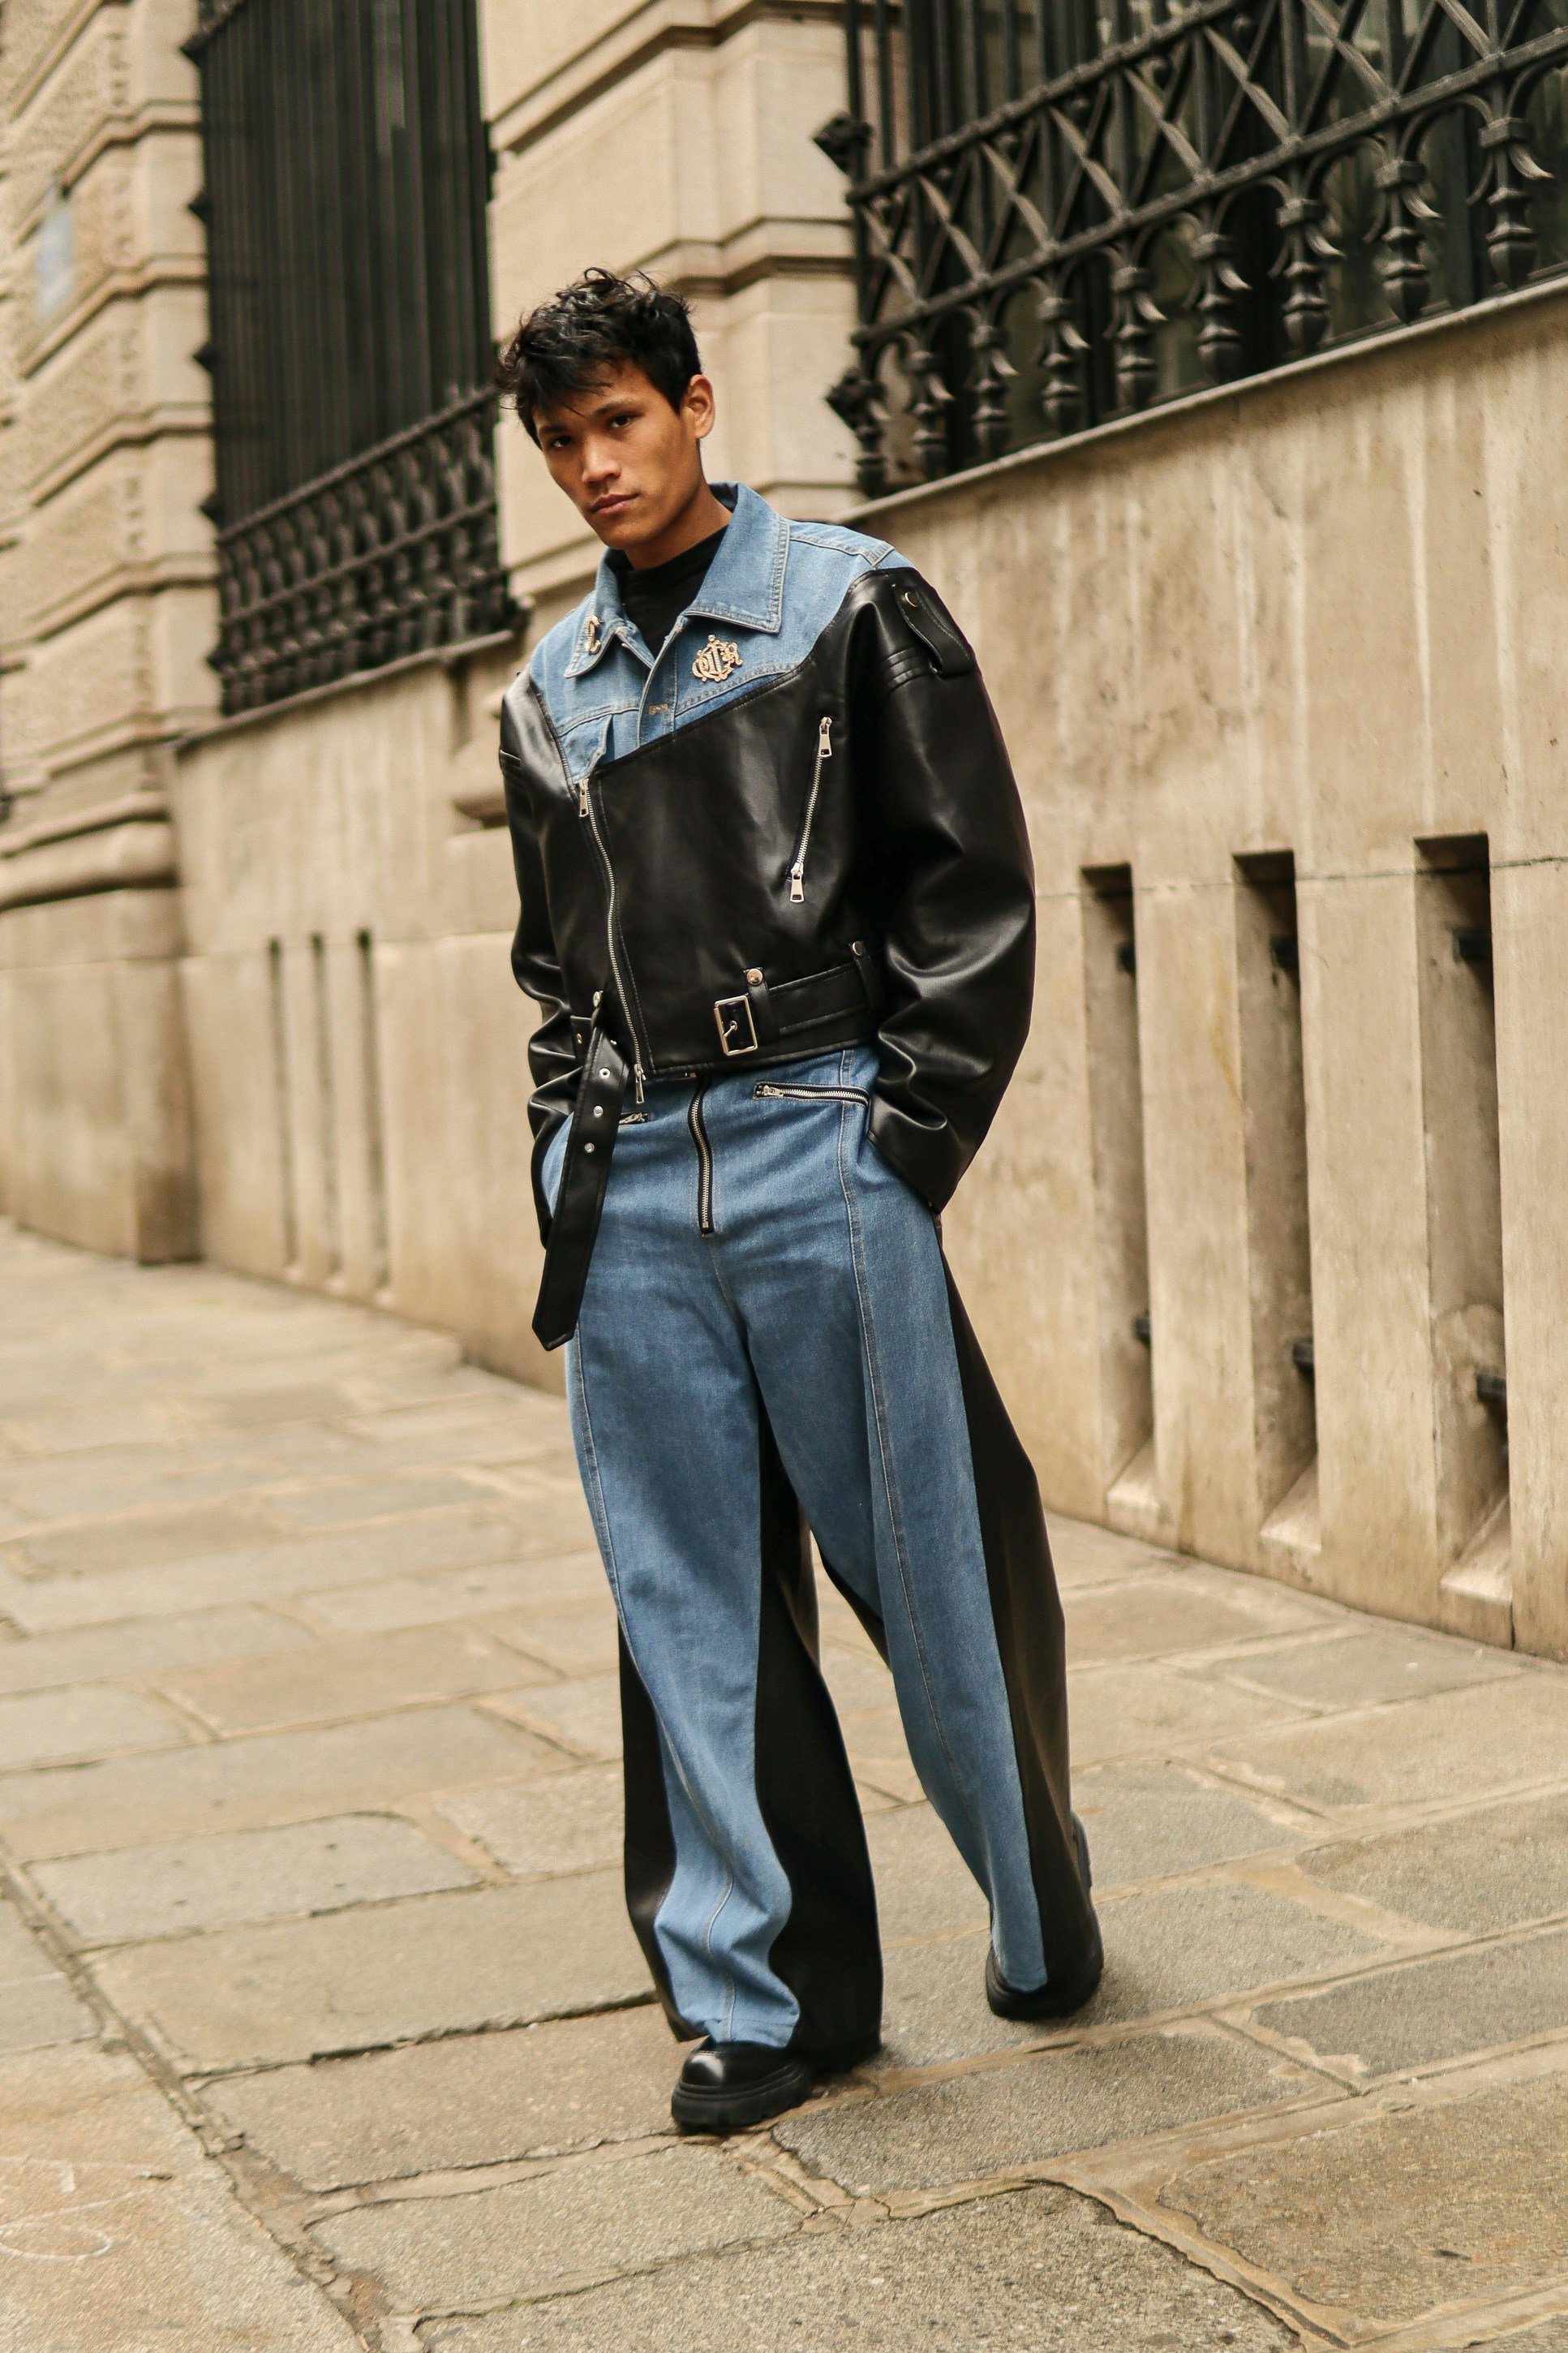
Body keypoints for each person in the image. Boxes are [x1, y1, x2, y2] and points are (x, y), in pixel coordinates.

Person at [494, 269, 1102, 2136]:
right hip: (633, 1188)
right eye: (561, 440)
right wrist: (559, 1167)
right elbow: (553, 974)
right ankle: (768, 2003)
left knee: (924, 1562)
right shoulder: (549, 691)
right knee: (680, 1598)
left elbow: (969, 898)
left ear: (692, 403)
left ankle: (1033, 1904)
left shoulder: (852, 602)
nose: (595, 467)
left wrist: (893, 1146)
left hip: (821, 1144)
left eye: (620, 421)